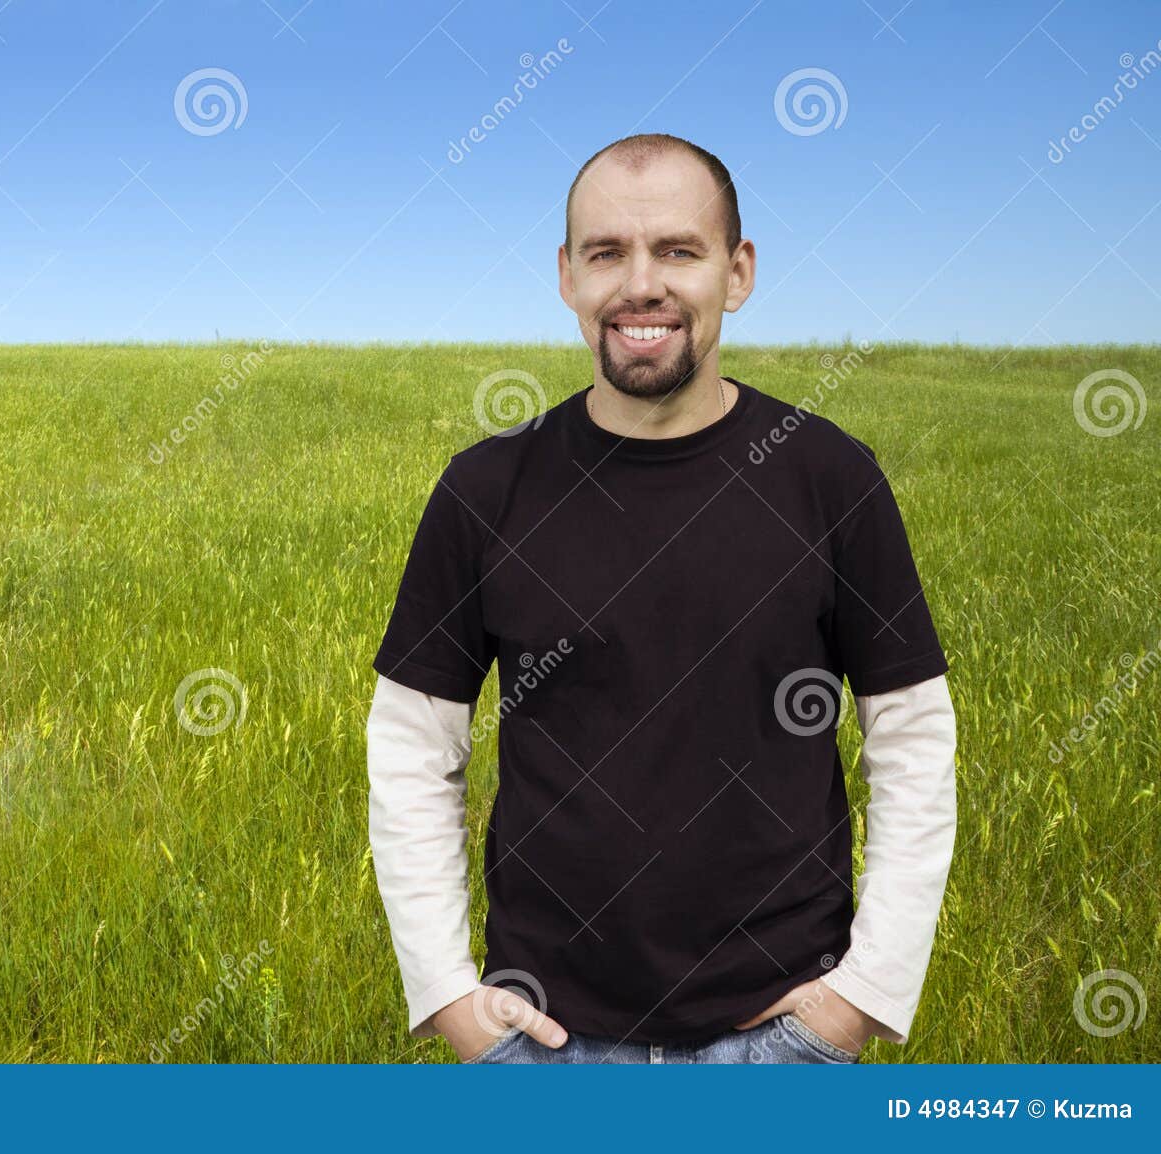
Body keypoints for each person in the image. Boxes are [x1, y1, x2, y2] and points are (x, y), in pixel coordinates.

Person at [366, 133, 957, 1065]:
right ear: (567, 277)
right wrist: (447, 996)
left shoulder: (830, 477)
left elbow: (914, 736)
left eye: (678, 251)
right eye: (607, 253)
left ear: (738, 271)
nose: (642, 285)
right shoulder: (485, 489)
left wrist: (863, 995)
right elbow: (411, 744)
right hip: (543, 1044)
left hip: (780, 1040)